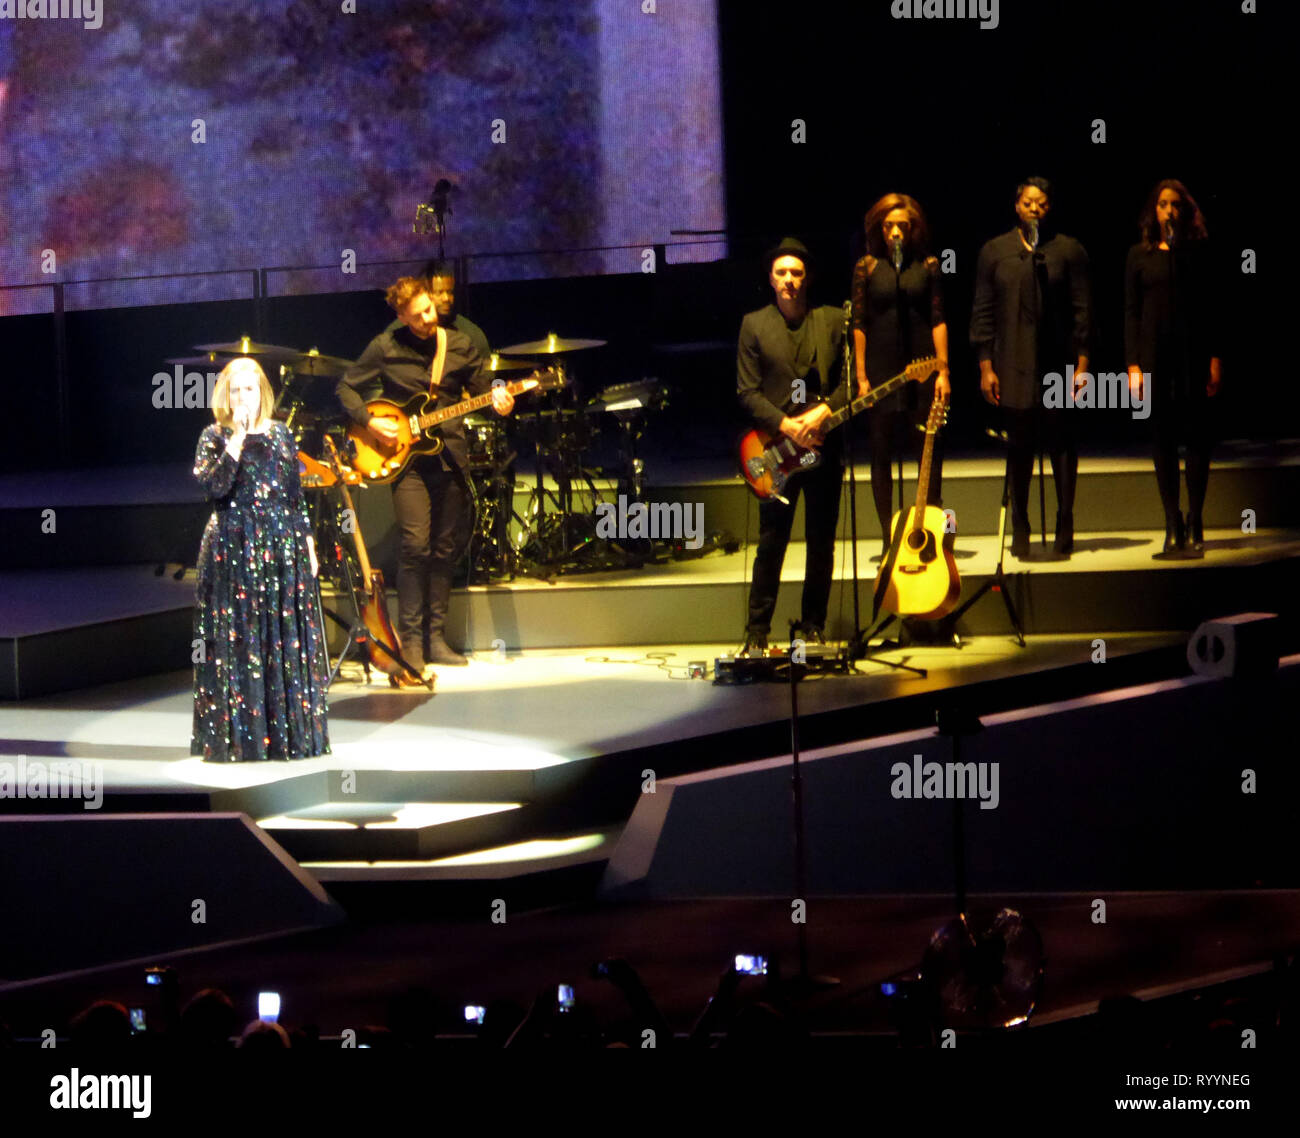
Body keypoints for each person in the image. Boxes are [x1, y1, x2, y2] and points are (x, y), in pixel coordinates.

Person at [337, 276, 514, 677]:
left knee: (444, 548)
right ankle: (411, 641)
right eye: (416, 316)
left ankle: (436, 639)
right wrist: (369, 421)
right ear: (400, 316)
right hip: (408, 461)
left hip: (449, 454)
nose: (427, 319)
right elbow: (346, 388)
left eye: (430, 310)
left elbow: (486, 390)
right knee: (415, 545)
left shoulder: (459, 345)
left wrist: (499, 401)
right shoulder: (386, 346)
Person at [192, 357, 329, 761]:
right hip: (232, 548)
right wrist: (236, 440)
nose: (243, 398)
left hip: (281, 547)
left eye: (249, 390)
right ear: (226, 397)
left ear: (262, 393)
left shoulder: (283, 434)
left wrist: (307, 544)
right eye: (236, 391)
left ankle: (288, 736)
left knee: (280, 637)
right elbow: (213, 487)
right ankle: (240, 738)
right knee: (241, 639)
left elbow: (294, 494)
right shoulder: (214, 436)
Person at [737, 237, 850, 655]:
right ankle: (756, 632)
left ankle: (812, 628)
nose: (789, 280)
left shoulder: (834, 320)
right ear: (770, 278)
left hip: (824, 449)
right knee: (771, 544)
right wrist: (787, 424)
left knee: (821, 542)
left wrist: (822, 414)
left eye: (796, 273)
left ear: (808, 278)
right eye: (782, 273)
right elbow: (746, 392)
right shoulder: (754, 324)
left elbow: (852, 385)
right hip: (776, 452)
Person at [971, 176, 1091, 557]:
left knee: (1061, 440)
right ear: (1016, 206)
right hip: (1013, 360)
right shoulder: (995, 251)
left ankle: (1065, 519)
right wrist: (986, 366)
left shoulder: (1068, 250)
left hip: (1057, 360)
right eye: (1027, 202)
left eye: (1041, 203)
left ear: (1049, 207)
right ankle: (1020, 521)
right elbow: (983, 309)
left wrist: (1083, 363)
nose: (1034, 209)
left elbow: (1083, 311)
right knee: (1019, 443)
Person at [1124, 179, 1222, 555]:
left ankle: (1196, 518)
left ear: (1185, 211)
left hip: (1192, 356)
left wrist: (1215, 358)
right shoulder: (1139, 255)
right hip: (1154, 358)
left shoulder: (1196, 253)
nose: (1169, 211)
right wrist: (1133, 364)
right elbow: (1131, 312)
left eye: (1176, 205)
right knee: (1162, 440)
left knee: (1197, 439)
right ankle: (1171, 520)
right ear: (1154, 210)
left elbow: (1213, 309)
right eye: (1163, 204)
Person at [851, 193, 951, 559]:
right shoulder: (867, 267)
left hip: (923, 366)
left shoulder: (927, 265)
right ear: (880, 228)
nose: (895, 232)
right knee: (880, 449)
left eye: (902, 226)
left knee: (928, 448)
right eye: (889, 226)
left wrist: (944, 370)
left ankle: (930, 533)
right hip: (881, 368)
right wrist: (861, 376)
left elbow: (938, 318)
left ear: (913, 229)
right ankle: (887, 534)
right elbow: (859, 323)